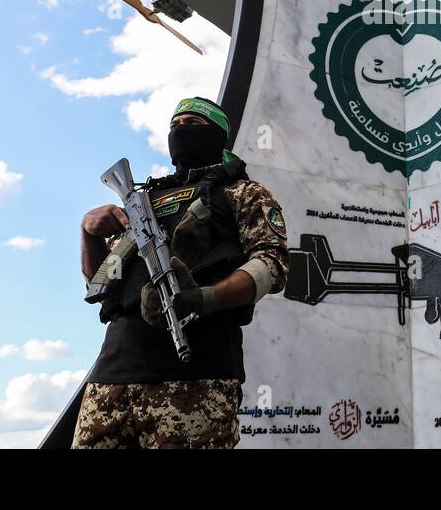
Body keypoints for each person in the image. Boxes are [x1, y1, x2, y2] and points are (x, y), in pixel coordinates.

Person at [73, 96, 289, 448]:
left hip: (196, 378)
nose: (181, 130)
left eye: (193, 124)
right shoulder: (143, 202)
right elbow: (103, 279)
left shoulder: (241, 193)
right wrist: (88, 232)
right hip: (111, 378)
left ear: (218, 135)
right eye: (175, 124)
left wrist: (205, 298)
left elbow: (272, 264)